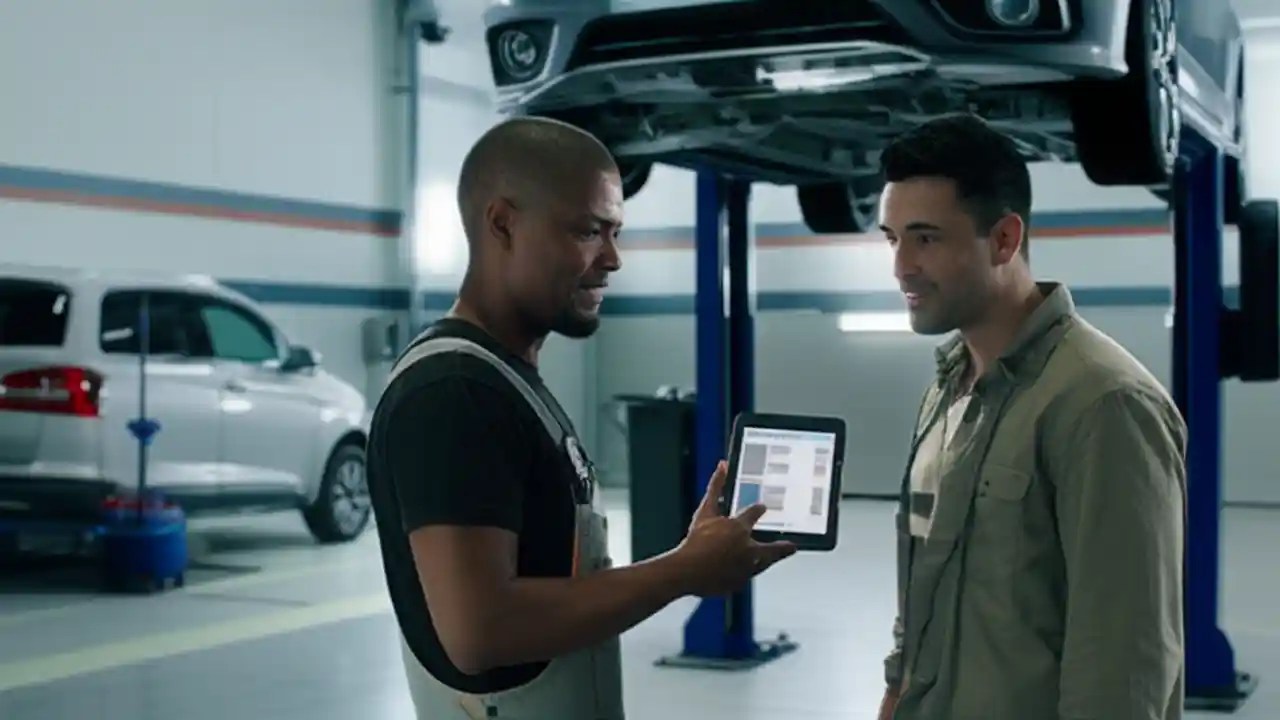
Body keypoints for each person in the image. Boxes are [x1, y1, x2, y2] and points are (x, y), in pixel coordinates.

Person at [364, 116, 797, 720]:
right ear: (502, 224)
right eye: (589, 231)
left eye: (614, 232)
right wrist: (681, 571)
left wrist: (686, 559)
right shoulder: (453, 394)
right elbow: (480, 632)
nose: (613, 259)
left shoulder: (505, 379)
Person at [873, 114, 1188, 720]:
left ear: (1004, 240)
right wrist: (896, 691)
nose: (901, 265)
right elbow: (925, 581)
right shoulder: (947, 386)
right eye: (892, 238)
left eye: (926, 238)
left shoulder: (1104, 404)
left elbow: (1126, 663)